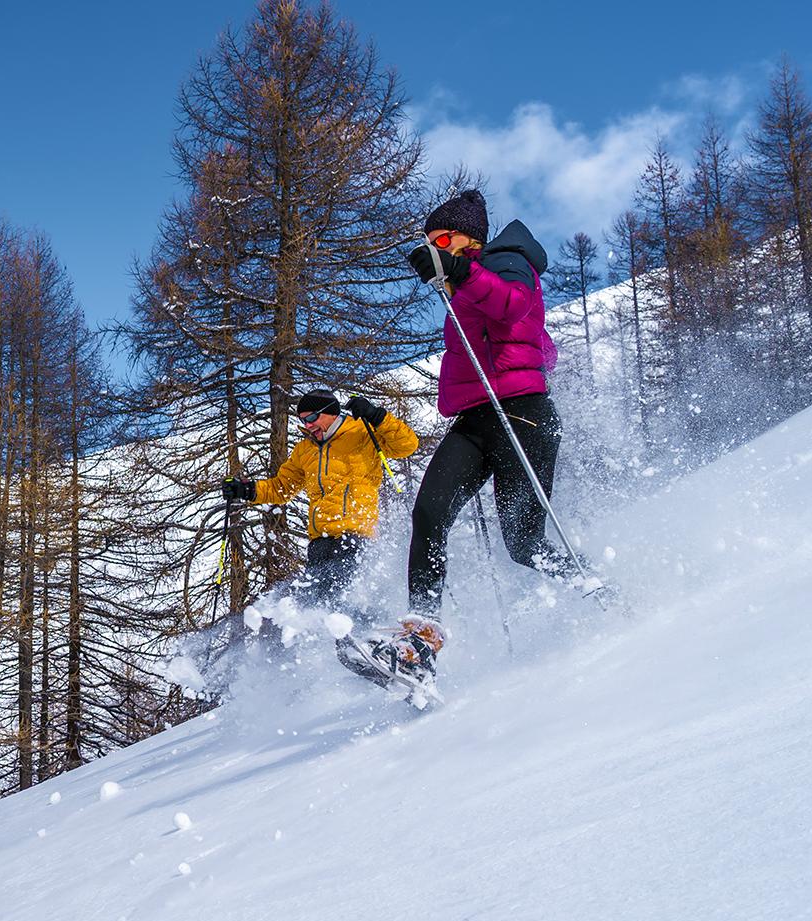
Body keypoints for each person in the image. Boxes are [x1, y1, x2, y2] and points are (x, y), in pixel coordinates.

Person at [387, 188, 586, 682]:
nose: (437, 249)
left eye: (444, 239)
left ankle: (593, 587)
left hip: (523, 415)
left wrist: (459, 272)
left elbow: (515, 307)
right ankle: (420, 641)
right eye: (431, 243)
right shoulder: (459, 287)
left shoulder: (507, 260)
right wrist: (454, 278)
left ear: (469, 238)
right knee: (429, 510)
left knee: (524, 545)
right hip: (475, 420)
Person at [223, 388, 419, 616]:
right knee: (318, 607)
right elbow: (282, 488)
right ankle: (343, 647)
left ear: (331, 412)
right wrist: (247, 489)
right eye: (303, 421)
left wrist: (376, 415)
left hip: (353, 537)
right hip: (319, 542)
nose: (307, 425)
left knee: (343, 602)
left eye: (312, 418)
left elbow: (407, 445)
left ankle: (366, 639)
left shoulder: (362, 432)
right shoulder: (304, 450)